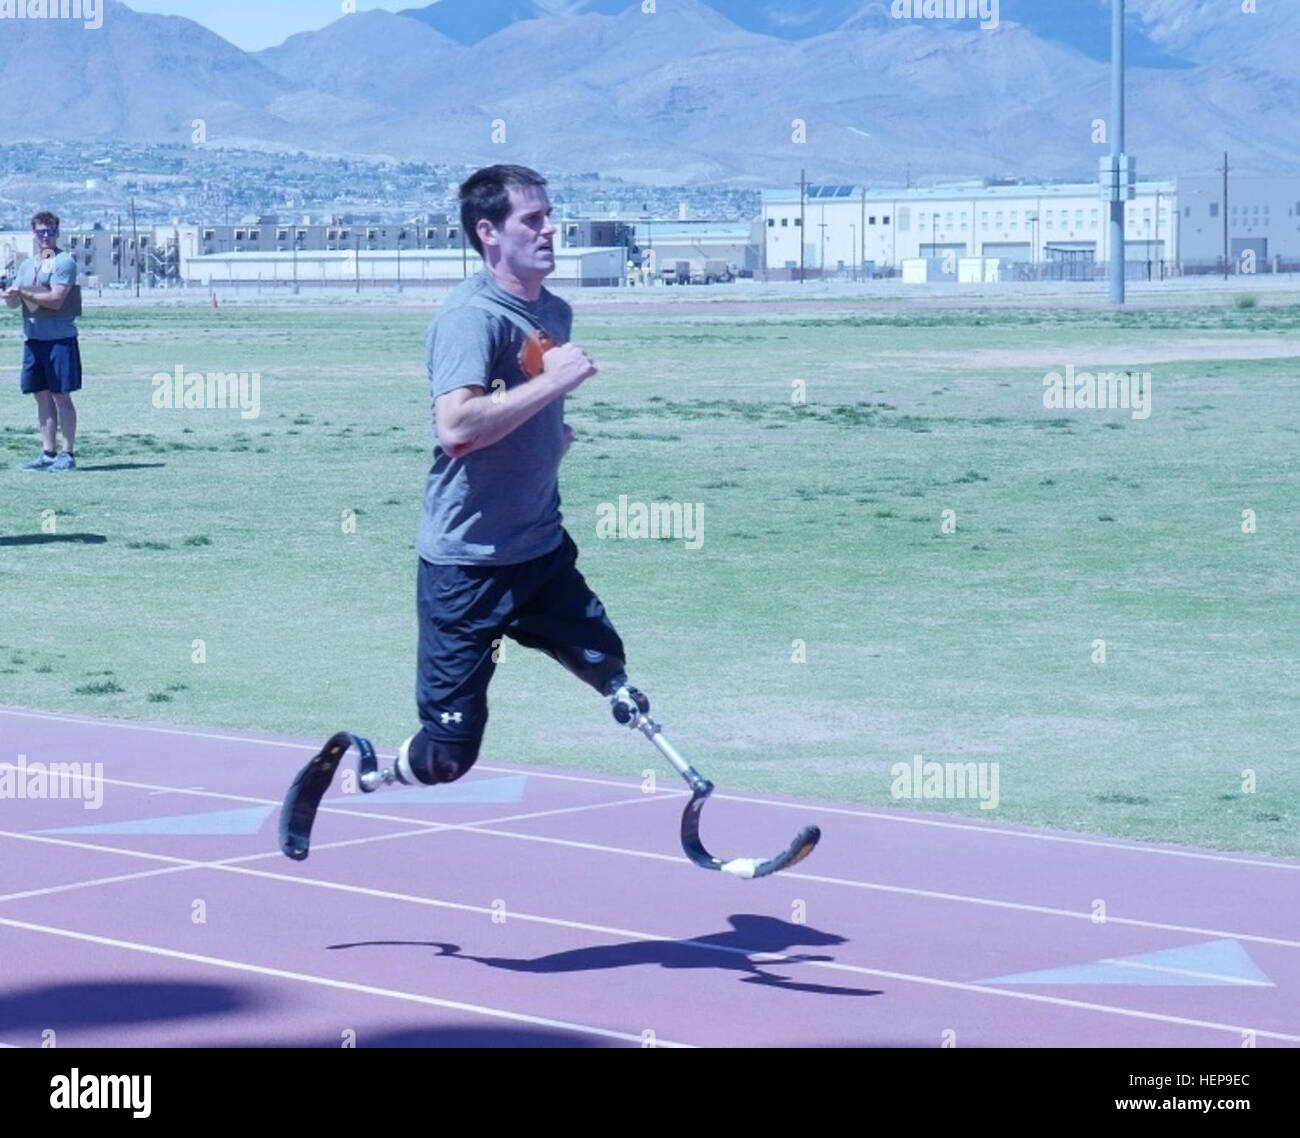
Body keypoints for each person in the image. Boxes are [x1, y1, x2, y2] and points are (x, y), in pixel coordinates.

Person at [377, 163, 649, 789]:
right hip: (466, 565)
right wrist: (554, 383)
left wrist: (552, 440)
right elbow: (457, 427)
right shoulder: (470, 318)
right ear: (489, 232)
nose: (551, 229)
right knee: (449, 756)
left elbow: (522, 407)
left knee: (607, 663)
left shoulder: (554, 310)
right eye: (534, 219)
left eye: (551, 216)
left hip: (539, 550)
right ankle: (379, 769)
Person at [5, 211, 82, 472]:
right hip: (33, 340)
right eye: (41, 232)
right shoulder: (27, 265)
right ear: (34, 234)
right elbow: (15, 303)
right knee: (41, 397)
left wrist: (23, 292)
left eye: (50, 231)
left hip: (59, 340)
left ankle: (67, 454)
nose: (45, 236)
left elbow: (56, 299)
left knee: (62, 397)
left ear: (57, 232)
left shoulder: (63, 261)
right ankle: (48, 453)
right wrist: (10, 295)